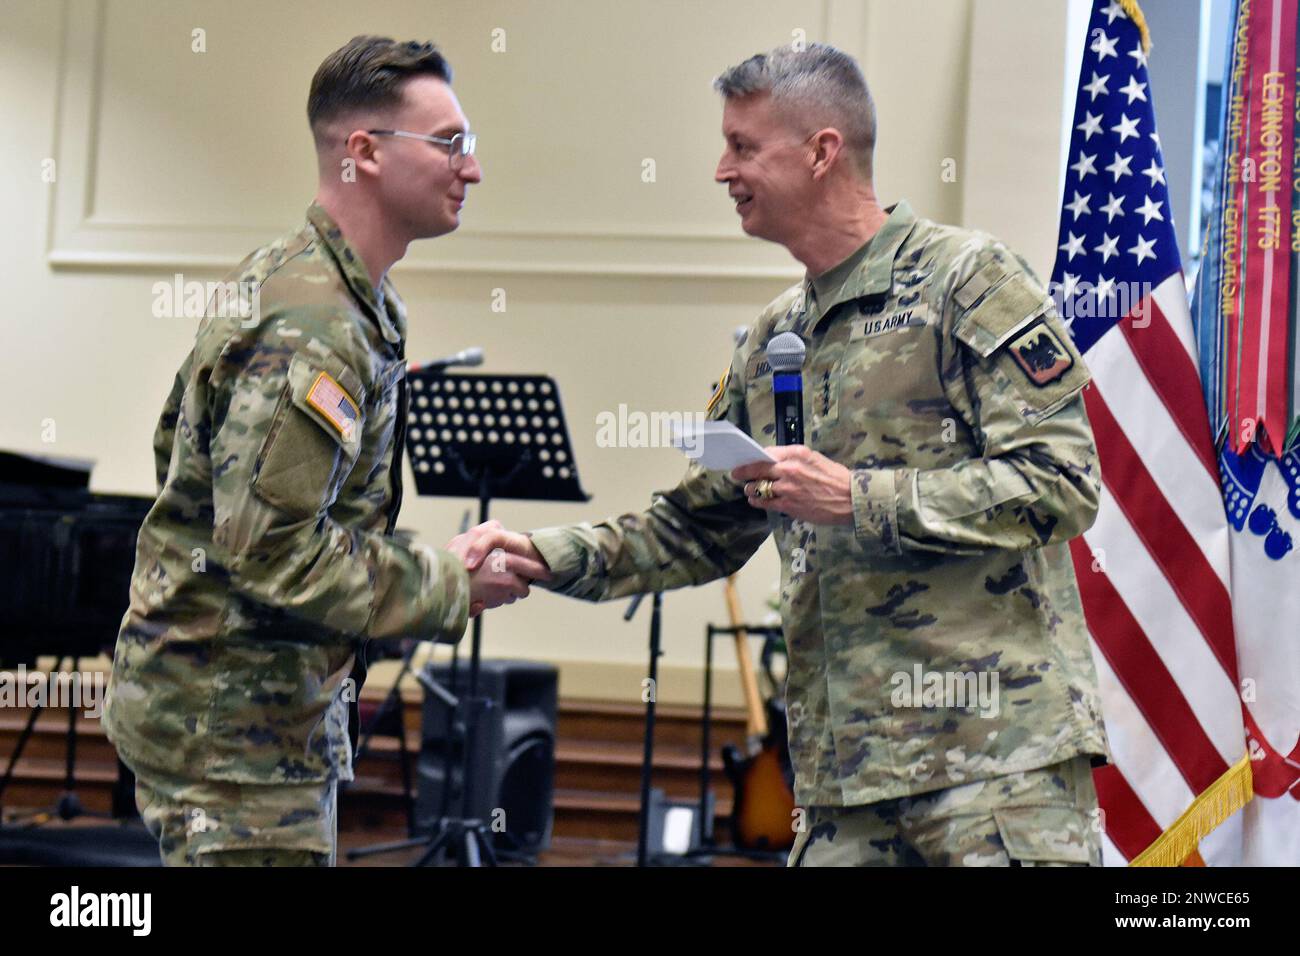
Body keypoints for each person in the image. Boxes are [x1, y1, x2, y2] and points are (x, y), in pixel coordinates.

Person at [448, 43, 1111, 866]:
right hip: (841, 788)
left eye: (742, 146)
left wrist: (860, 499)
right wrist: (542, 556)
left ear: (822, 151)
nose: (722, 170)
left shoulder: (964, 281)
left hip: (994, 770)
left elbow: (1062, 485)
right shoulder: (774, 339)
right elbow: (696, 530)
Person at [103, 36, 546, 867]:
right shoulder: (315, 323)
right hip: (231, 734)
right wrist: (448, 583)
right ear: (365, 153)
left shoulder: (340, 296)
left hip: (265, 718)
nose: (472, 168)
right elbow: (269, 551)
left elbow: (191, 461)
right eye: (450, 143)